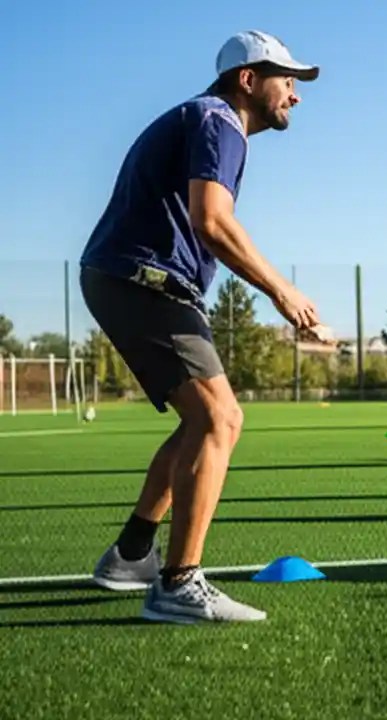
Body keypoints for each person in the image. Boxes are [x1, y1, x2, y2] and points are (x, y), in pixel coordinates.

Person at [80, 30, 321, 623]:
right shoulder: (220, 122)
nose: (295, 94)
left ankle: (132, 554)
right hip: (142, 279)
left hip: (134, 279)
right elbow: (211, 220)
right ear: (248, 79)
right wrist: (281, 289)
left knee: (202, 419)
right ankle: (178, 585)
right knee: (221, 418)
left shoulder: (207, 119)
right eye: (286, 80)